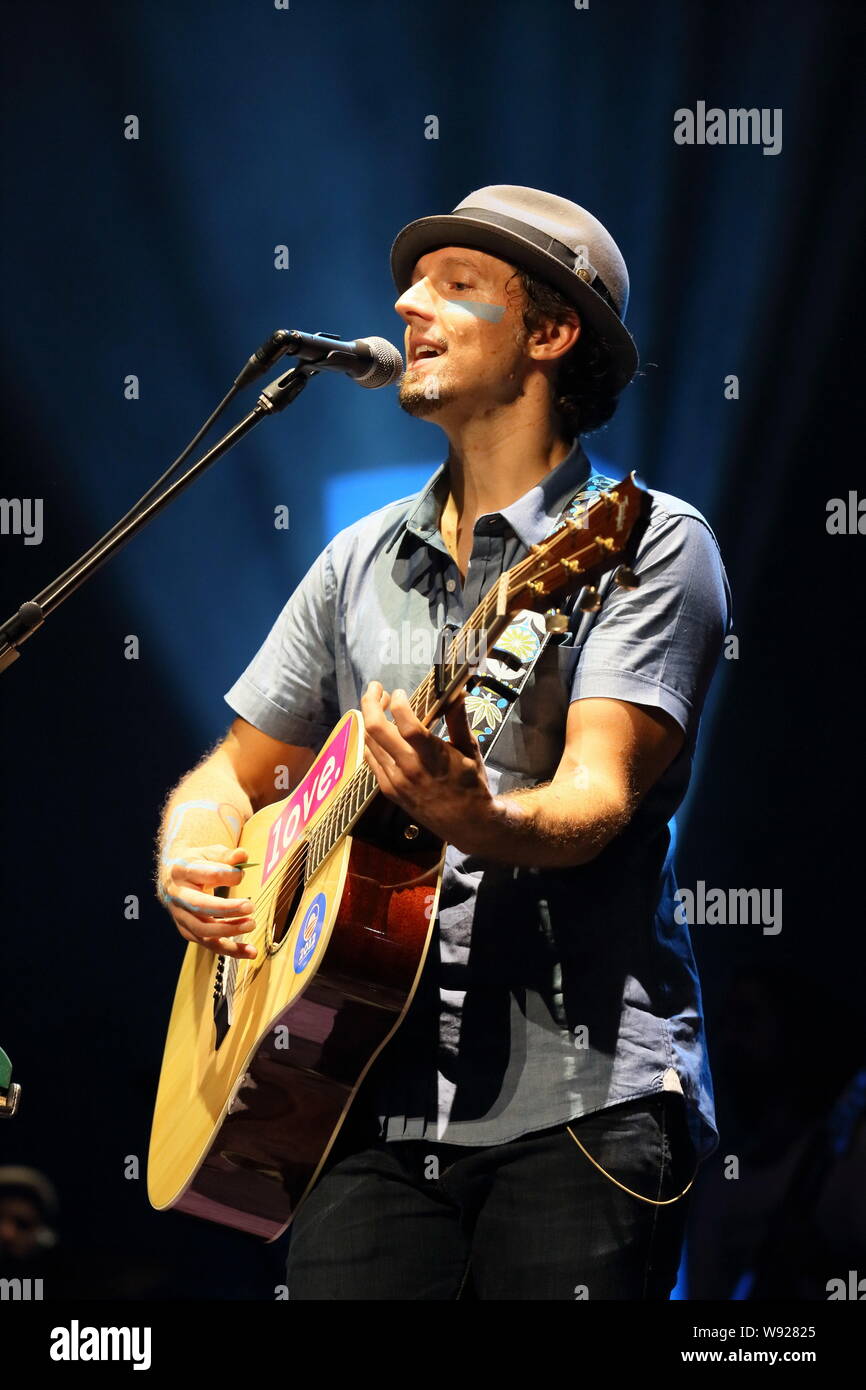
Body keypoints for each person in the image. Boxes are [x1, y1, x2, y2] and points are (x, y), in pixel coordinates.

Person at [155, 185, 731, 1300]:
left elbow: (594, 799)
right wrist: (193, 850)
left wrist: (474, 817)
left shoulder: (644, 543)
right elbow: (230, 779)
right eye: (413, 282)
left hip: (581, 1106)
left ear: (550, 335)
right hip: (357, 1098)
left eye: (454, 286)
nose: (405, 302)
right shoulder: (356, 560)